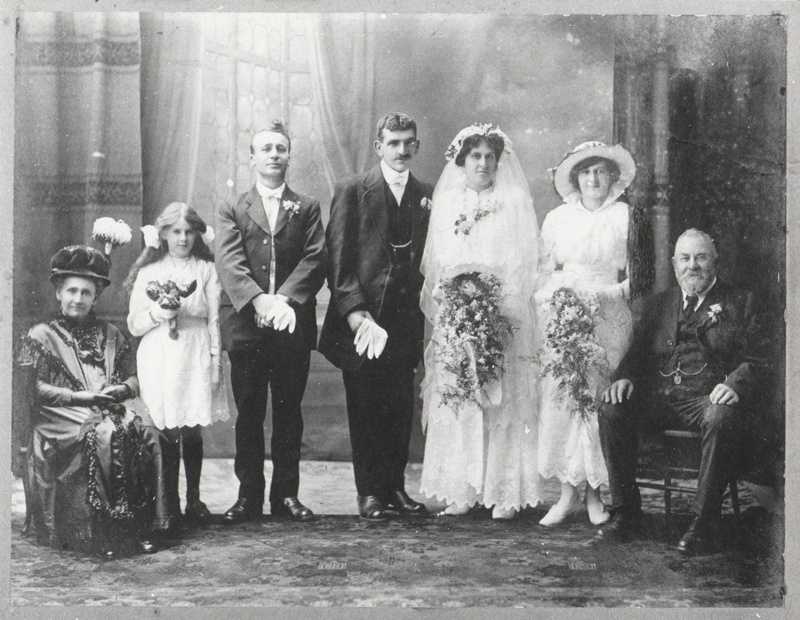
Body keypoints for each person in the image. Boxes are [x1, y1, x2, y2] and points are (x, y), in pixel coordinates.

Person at [597, 229, 768, 555]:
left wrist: (734, 384)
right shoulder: (658, 304)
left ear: (714, 260)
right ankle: (626, 514)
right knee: (611, 407)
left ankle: (703, 523)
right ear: (675, 264)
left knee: (720, 414)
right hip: (660, 399)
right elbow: (635, 356)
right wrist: (625, 377)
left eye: (701, 257)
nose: (693, 266)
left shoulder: (741, 302)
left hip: (705, 399)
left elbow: (759, 360)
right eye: (686, 258)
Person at [418, 124, 541, 520]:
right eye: (476, 156)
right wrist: (455, 303)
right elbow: (438, 262)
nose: (484, 163)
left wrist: (497, 309)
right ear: (462, 160)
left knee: (501, 399)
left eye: (490, 156)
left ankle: (503, 492)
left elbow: (524, 263)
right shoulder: (448, 201)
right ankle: (464, 491)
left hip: (502, 314)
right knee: (462, 398)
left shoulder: (515, 200)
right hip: (457, 312)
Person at [14, 245, 169, 558]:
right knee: (105, 434)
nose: (78, 299)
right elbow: (34, 389)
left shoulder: (110, 332)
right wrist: (81, 397)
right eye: (71, 290)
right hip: (58, 414)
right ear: (58, 292)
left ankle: (146, 526)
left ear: (96, 297)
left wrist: (121, 390)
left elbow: (135, 378)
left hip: (109, 407)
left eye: (86, 293)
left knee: (149, 433)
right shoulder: (41, 334)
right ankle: (105, 533)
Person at [318, 112, 432, 522]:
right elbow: (338, 258)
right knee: (365, 406)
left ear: (416, 146)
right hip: (362, 320)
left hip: (404, 321)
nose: (402, 150)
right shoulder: (353, 190)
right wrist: (354, 314)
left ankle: (395, 487)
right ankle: (368, 492)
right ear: (378, 146)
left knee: (399, 407)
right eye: (394, 143)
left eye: (409, 142)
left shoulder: (426, 193)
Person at [215, 120, 326, 524]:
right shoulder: (232, 207)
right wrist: (260, 301)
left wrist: (286, 301)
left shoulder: (308, 206)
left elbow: (316, 258)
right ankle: (248, 497)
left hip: (291, 328)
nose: (274, 155)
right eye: (266, 149)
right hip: (246, 327)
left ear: (289, 155)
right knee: (248, 413)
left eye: (281, 148)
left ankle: (285, 496)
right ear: (252, 157)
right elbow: (228, 262)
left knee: (288, 413)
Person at [535, 141, 640, 527]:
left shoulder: (626, 216)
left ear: (612, 176)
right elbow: (544, 271)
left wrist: (600, 297)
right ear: (575, 179)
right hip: (563, 317)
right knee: (565, 403)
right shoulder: (558, 218)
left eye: (599, 171)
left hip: (609, 316)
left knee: (596, 405)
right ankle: (566, 495)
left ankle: (596, 495)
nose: (593, 179)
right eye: (585, 172)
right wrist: (560, 304)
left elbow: (636, 278)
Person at [125, 203, 230, 526]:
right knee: (166, 428)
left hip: (195, 353)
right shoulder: (148, 272)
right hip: (160, 355)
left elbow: (213, 321)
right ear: (164, 235)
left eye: (188, 232)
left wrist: (215, 365)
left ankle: (194, 499)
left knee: (191, 431)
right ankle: (167, 500)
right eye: (176, 232)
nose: (183, 238)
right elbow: (134, 324)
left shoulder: (206, 270)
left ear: (197, 234)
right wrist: (160, 313)